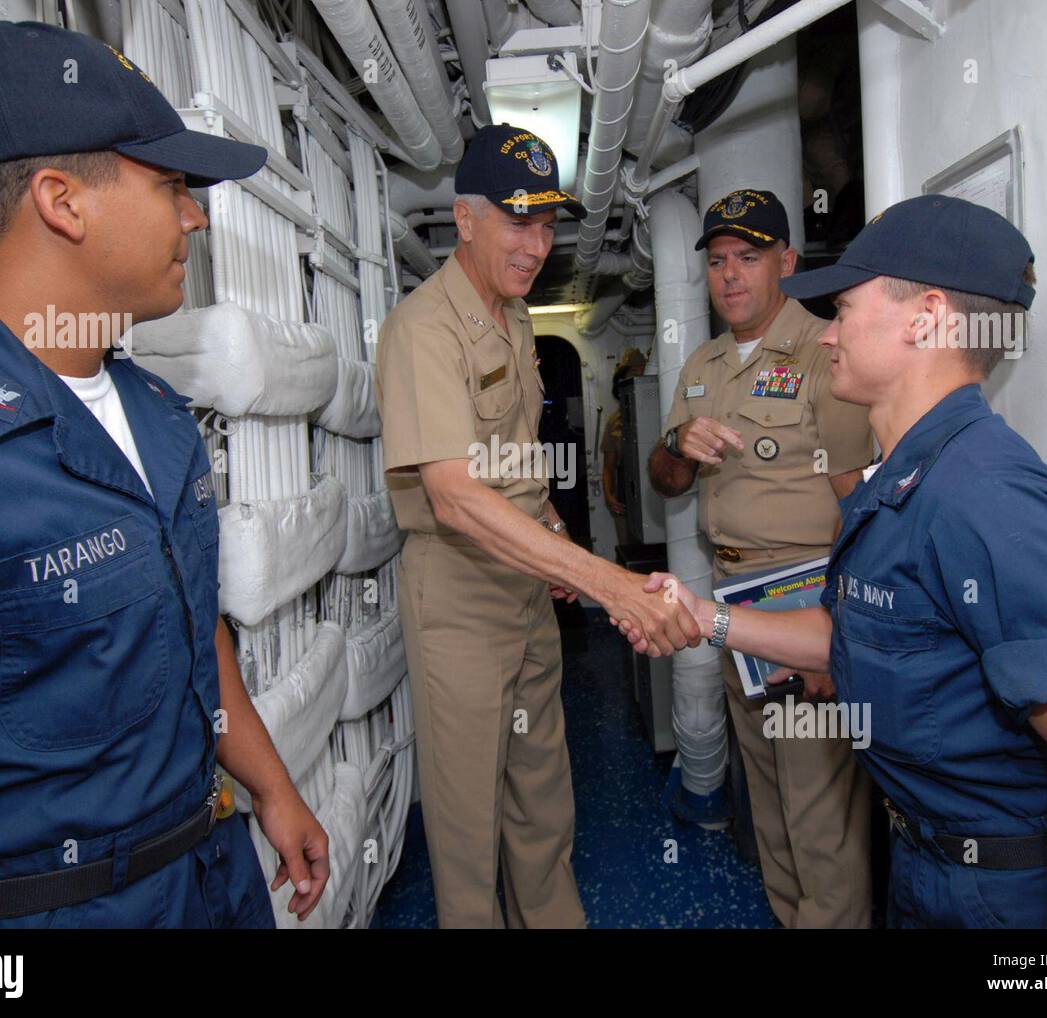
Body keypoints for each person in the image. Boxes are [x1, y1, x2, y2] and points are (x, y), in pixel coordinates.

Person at [0, 21, 328, 928]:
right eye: (170, 186)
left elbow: (193, 630)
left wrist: (270, 787)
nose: (194, 215)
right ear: (62, 201)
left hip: (205, 877)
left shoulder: (156, 415)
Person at [624, 195, 1047, 928]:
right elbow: (861, 630)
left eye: (844, 310)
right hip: (925, 863)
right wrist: (709, 619)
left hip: (999, 894)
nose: (825, 337)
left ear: (928, 316)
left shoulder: (990, 496)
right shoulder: (909, 479)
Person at [375, 124, 700, 928]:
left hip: (523, 584)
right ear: (466, 218)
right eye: (518, 220)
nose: (536, 243)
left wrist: (554, 530)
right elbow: (452, 495)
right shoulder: (425, 328)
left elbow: (513, 465)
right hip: (457, 594)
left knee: (543, 797)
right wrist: (610, 584)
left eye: (547, 223)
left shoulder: (516, 320)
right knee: (467, 824)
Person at [646, 188, 875, 928]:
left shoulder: (823, 352)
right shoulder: (705, 363)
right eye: (716, 262)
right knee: (770, 801)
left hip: (806, 600)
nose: (731, 276)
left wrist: (833, 637)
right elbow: (665, 479)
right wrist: (679, 445)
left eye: (748, 257)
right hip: (734, 601)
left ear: (787, 260)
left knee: (818, 812)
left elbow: (858, 505)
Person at [600, 348, 646, 548]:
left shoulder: (662, 413)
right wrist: (610, 496)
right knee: (628, 551)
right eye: (633, 374)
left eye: (641, 373)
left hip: (653, 499)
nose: (638, 378)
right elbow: (609, 466)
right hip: (625, 498)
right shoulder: (615, 421)